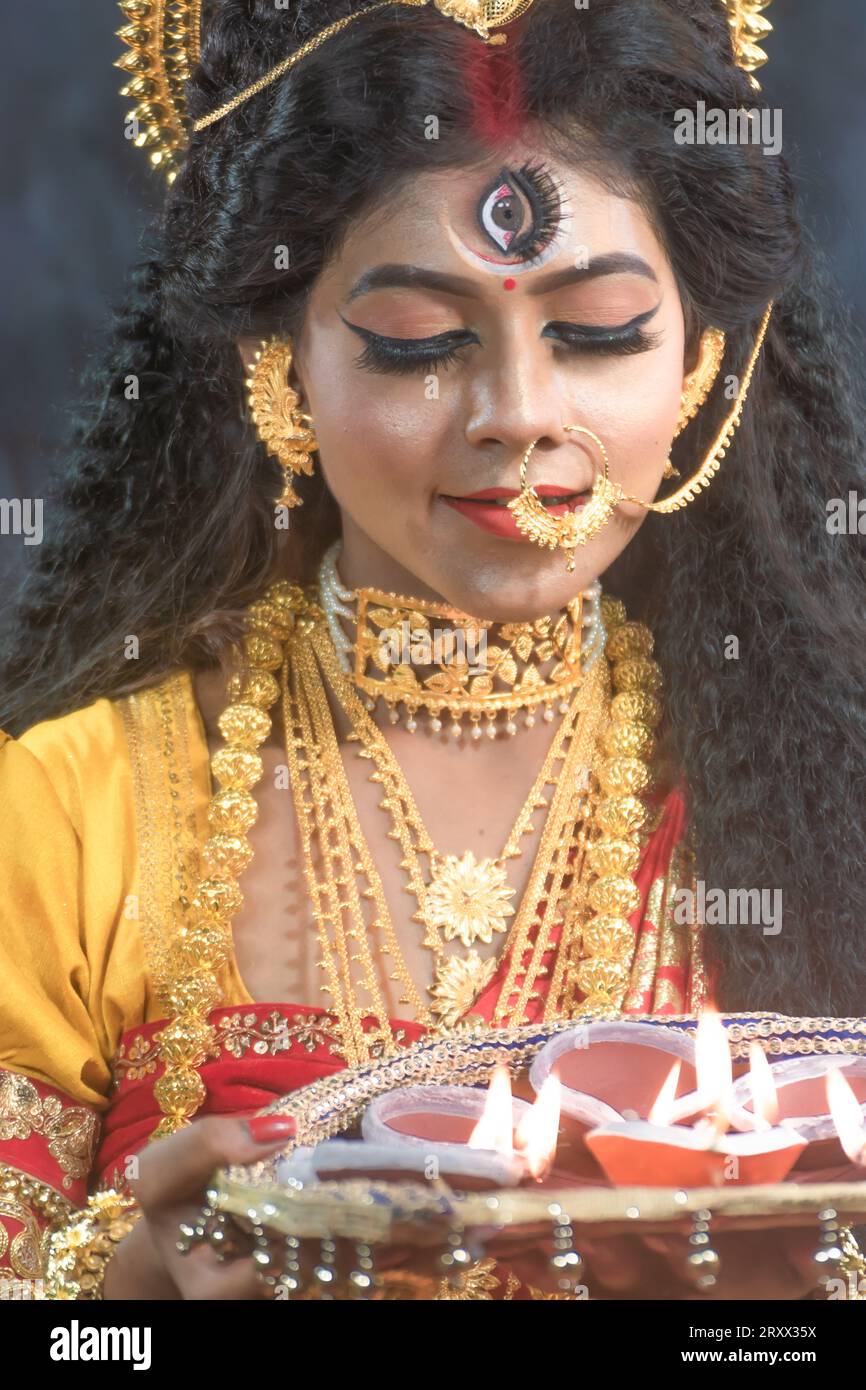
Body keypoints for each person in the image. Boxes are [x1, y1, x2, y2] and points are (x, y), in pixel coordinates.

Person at [1, 0, 864, 1301]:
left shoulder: (813, 806)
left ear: (696, 365)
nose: (517, 414)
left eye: (600, 331)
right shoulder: (69, 815)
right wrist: (118, 1308)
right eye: (416, 342)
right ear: (278, 369)